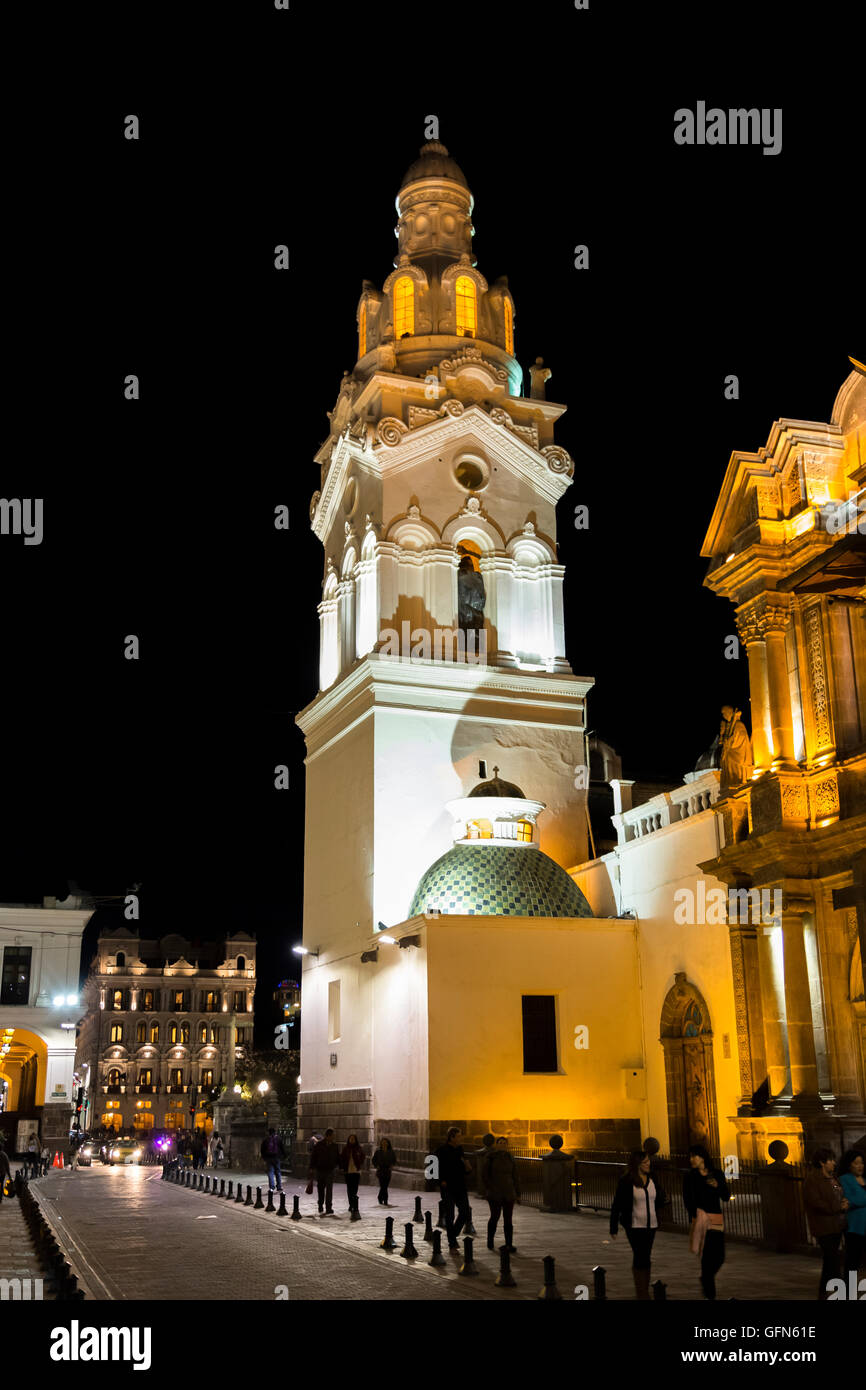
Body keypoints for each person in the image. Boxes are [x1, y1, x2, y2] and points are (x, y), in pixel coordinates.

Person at [610, 1150, 668, 1299]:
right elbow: (617, 1204)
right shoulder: (627, 1181)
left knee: (646, 1256)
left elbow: (658, 1197)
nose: (648, 1164)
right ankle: (641, 1293)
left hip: (651, 1225)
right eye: (645, 1162)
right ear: (637, 1164)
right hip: (634, 1225)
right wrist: (613, 1226)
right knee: (639, 1255)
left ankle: (644, 1290)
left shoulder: (652, 1178)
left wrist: (662, 1198)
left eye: (648, 1161)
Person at [683, 1144, 730, 1299]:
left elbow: (726, 1196)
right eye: (690, 1156)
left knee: (719, 1256)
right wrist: (694, 1215)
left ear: (702, 1157)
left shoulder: (716, 1174)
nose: (691, 1160)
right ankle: (710, 1291)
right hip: (701, 1219)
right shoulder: (690, 1176)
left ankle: (706, 1277)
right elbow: (688, 1199)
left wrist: (718, 1186)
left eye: (693, 1156)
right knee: (706, 1255)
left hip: (715, 1218)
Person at [804, 1148, 849, 1298]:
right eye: (830, 1160)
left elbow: (839, 1193)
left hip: (836, 1224)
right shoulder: (812, 1180)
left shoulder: (833, 1177)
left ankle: (823, 1292)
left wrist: (844, 1201)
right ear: (822, 1162)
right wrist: (837, 1207)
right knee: (833, 1259)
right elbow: (816, 1202)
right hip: (823, 1226)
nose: (834, 1163)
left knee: (829, 1260)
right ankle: (842, 1291)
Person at [435, 1126, 473, 1253]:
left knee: (465, 1212)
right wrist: (441, 1181)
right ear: (452, 1137)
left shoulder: (460, 1150)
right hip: (448, 1187)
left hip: (460, 1185)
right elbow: (435, 1168)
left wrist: (467, 1168)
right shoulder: (441, 1150)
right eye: (458, 1136)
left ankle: (453, 1234)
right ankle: (452, 1244)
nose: (461, 1138)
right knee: (450, 1215)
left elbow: (463, 1167)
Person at [483, 1135, 521, 1255]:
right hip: (495, 1193)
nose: (503, 1145)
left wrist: (517, 1192)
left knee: (508, 1219)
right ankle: (490, 1241)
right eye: (500, 1143)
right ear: (496, 1144)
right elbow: (485, 1175)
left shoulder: (510, 1158)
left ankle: (509, 1243)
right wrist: (490, 1188)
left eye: (505, 1143)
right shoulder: (491, 1157)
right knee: (495, 1216)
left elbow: (515, 1175)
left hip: (508, 1192)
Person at [838, 1149, 866, 1277]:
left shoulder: (864, 1179)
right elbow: (850, 1199)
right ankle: (848, 1289)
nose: (860, 1166)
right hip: (855, 1227)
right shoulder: (845, 1179)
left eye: (861, 1163)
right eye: (856, 1163)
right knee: (853, 1260)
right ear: (849, 1164)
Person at [310, 1128, 340, 1214]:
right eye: (332, 1136)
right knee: (321, 1189)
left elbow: (338, 1157)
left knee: (329, 1189)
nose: (333, 1137)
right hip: (320, 1170)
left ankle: (328, 1207)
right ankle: (320, 1204)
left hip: (330, 1170)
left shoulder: (335, 1145)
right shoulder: (319, 1145)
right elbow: (314, 1157)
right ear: (328, 1136)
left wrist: (339, 1166)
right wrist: (311, 1168)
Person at [340, 1133, 365, 1216]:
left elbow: (362, 1157)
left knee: (355, 1188)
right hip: (348, 1171)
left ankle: (354, 1204)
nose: (352, 1140)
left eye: (353, 1139)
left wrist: (359, 1163)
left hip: (356, 1171)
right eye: (350, 1139)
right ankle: (351, 1204)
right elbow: (342, 1158)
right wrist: (342, 1168)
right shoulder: (345, 1148)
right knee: (349, 1188)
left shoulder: (359, 1148)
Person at [260, 1127, 286, 1194]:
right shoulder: (278, 1139)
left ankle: (271, 1187)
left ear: (269, 1132)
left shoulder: (266, 1139)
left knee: (270, 1172)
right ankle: (279, 1187)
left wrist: (264, 1157)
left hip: (268, 1158)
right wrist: (283, 1156)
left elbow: (262, 1149)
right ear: (275, 1132)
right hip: (277, 1158)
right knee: (278, 1172)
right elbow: (282, 1148)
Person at [372, 1137, 396, 1205]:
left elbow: (394, 1160)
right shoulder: (378, 1152)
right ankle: (385, 1200)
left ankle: (380, 1197)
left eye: (386, 1142)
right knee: (383, 1186)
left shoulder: (391, 1152)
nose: (384, 1143)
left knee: (385, 1186)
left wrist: (392, 1165)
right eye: (383, 1142)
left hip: (388, 1170)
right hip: (381, 1170)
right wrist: (377, 1166)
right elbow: (374, 1160)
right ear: (381, 1143)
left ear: (388, 1143)